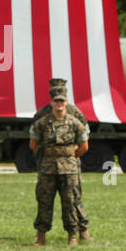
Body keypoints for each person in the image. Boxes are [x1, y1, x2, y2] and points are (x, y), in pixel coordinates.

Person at [33, 77, 91, 241]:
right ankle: (41, 233)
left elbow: (85, 138)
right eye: (55, 92)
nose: (58, 96)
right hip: (48, 163)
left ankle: (82, 228)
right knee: (44, 198)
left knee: (73, 197)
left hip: (70, 163)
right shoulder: (43, 114)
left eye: (61, 91)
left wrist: (71, 155)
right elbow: (35, 140)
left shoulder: (75, 114)